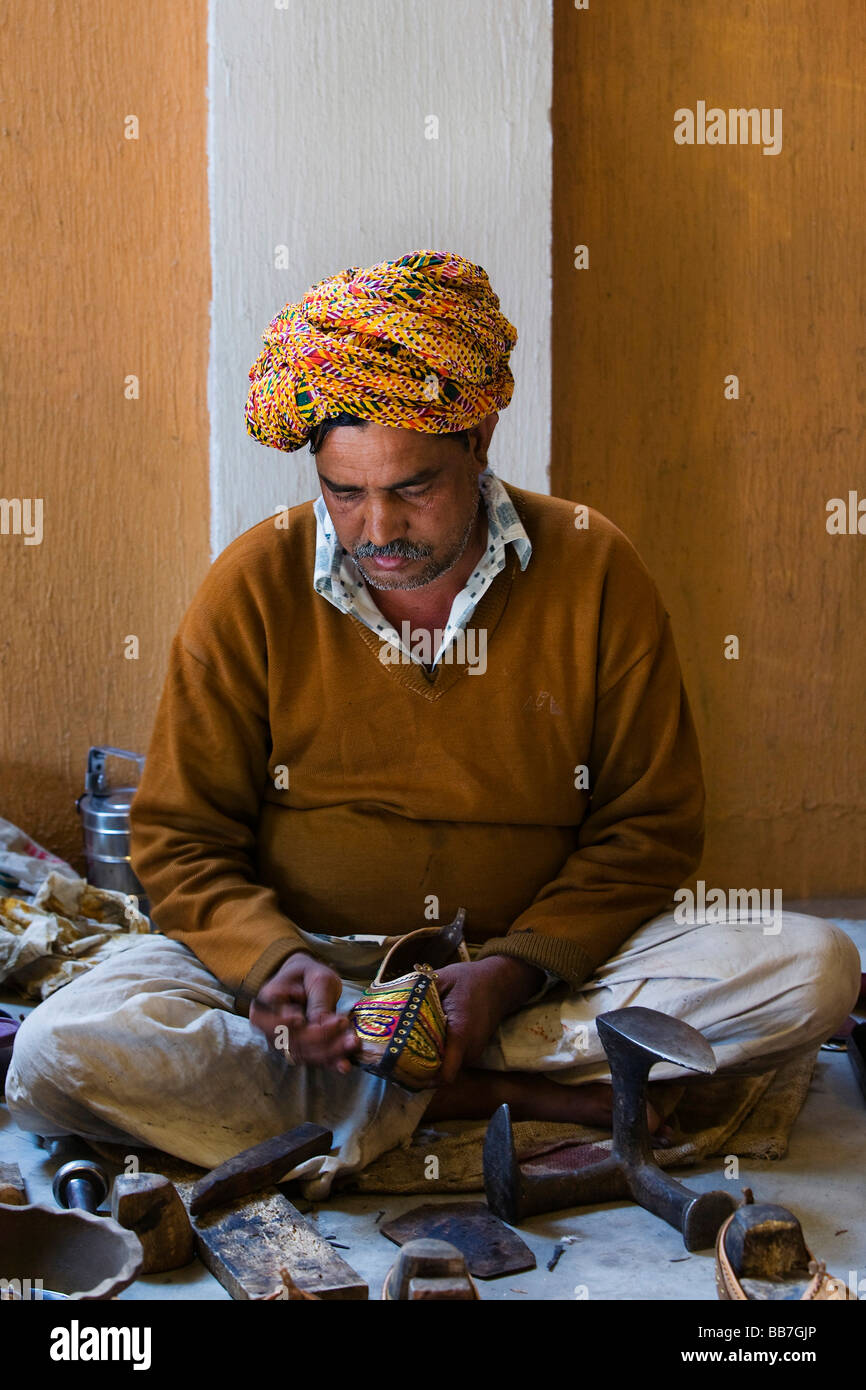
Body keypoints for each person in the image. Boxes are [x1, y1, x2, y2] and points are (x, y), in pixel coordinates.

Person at [7, 250, 859, 1197]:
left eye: (412, 487)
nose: (376, 530)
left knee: (816, 968)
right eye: (344, 491)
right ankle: (487, 1096)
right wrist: (271, 966)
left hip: (529, 982)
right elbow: (182, 836)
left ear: (480, 438)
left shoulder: (594, 569)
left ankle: (393, 1089)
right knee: (55, 1053)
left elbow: (647, 825)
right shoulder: (251, 586)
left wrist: (513, 971)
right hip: (317, 981)